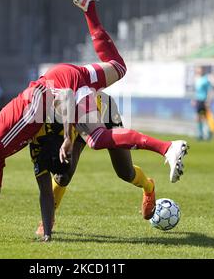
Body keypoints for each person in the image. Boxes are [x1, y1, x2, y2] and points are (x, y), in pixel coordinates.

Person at [0, 0, 188, 243]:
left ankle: (161, 159)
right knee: (117, 70)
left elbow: (64, 100)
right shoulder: (4, 146)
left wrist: (69, 138)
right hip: (68, 91)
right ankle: (88, 7)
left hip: (87, 102)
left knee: (110, 157)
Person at [33, 92, 154, 240]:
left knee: (125, 172)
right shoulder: (50, 115)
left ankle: (149, 187)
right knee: (63, 174)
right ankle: (48, 219)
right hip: (77, 123)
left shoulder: (64, 101)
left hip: (104, 111)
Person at [192, 66, 214, 140]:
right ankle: (200, 134)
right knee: (198, 118)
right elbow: (196, 91)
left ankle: (207, 134)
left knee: (204, 117)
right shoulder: (196, 79)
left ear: (202, 71)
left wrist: (208, 101)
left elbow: (209, 90)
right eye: (197, 70)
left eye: (199, 70)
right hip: (198, 100)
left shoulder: (205, 80)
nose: (198, 71)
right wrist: (194, 99)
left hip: (203, 100)